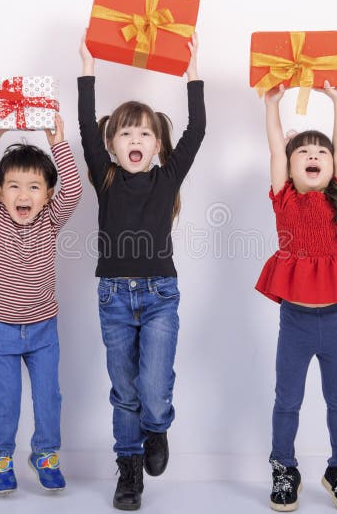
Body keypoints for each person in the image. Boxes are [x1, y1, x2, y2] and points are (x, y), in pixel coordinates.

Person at [78, 32, 204, 511]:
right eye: (126, 133)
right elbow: (86, 127)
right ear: (111, 145)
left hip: (159, 296)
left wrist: (194, 76)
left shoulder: (168, 176)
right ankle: (128, 470)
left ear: (157, 146)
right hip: (112, 296)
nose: (135, 139)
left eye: (145, 133)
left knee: (152, 388)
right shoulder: (105, 177)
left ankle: (158, 428)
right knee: (123, 390)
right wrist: (88, 69)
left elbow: (198, 131)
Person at [256, 82, 337, 512]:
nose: (312, 155)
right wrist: (272, 106)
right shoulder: (284, 197)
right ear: (289, 167)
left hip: (336, 322)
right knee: (287, 400)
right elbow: (274, 147)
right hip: (296, 322)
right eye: (302, 151)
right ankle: (284, 467)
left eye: (320, 153)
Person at [0, 113, 82, 495]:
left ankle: (45, 454)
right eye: (13, 186)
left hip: (43, 328)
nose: (23, 195)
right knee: (6, 398)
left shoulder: (50, 218)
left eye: (33, 187)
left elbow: (75, 189)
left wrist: (57, 141)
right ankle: (0, 458)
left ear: (47, 194)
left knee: (49, 395)